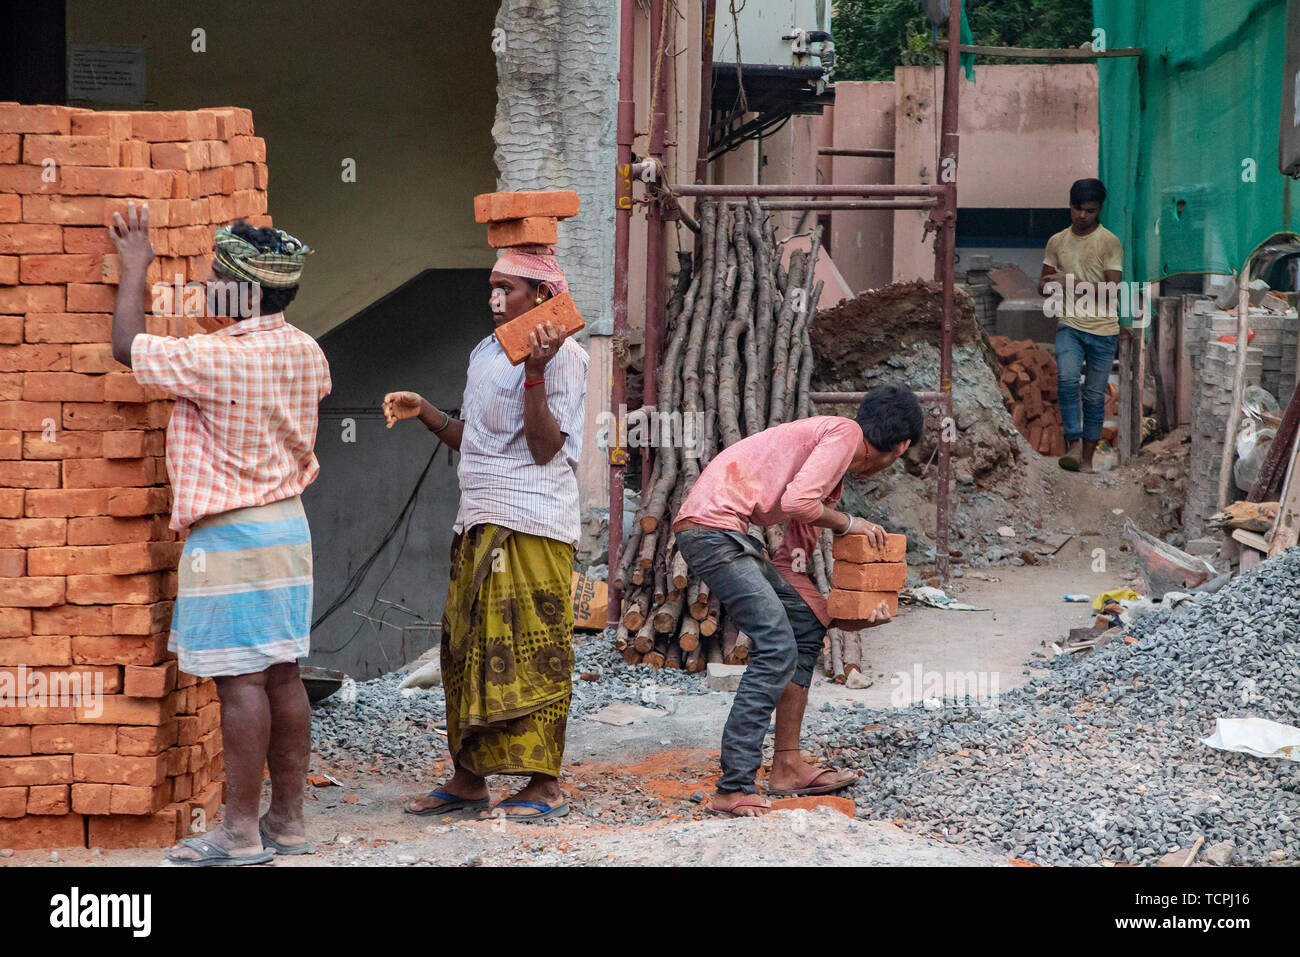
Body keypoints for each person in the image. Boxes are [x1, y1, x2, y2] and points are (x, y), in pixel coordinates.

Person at [109, 204, 331, 865]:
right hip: (289, 530)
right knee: (284, 676)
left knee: (239, 683)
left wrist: (134, 268)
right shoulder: (307, 350)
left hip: (231, 536)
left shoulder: (213, 357)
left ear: (239, 290)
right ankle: (285, 822)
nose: (203, 287)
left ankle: (238, 832)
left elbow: (127, 348)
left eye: (212, 278)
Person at [384, 243, 587, 821]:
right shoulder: (487, 352)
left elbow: (547, 449)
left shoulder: (566, 358)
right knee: (467, 648)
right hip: (478, 517)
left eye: (509, 289)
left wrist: (537, 375)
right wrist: (426, 411)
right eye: (492, 287)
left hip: (531, 522)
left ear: (543, 297)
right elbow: (476, 439)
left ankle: (542, 782)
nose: (495, 299)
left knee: (531, 650)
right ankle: (469, 778)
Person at [673, 386, 923, 817]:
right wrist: (850, 524)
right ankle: (734, 787)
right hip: (711, 531)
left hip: (729, 536)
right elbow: (796, 503)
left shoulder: (831, 474)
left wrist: (852, 618)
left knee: (804, 629)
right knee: (776, 644)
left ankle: (787, 765)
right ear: (901, 446)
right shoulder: (843, 432)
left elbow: (792, 563)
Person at [1038, 177, 1125, 473]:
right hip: (1070, 325)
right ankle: (1073, 443)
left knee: (1093, 396)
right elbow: (1042, 284)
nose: (1082, 215)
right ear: (1070, 205)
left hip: (1103, 330)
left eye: (1089, 210)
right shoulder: (1057, 241)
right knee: (1067, 380)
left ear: (1099, 209)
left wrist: (1070, 282)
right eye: (1077, 208)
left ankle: (1087, 460)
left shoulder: (1109, 243)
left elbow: (1114, 290)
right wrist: (1051, 284)